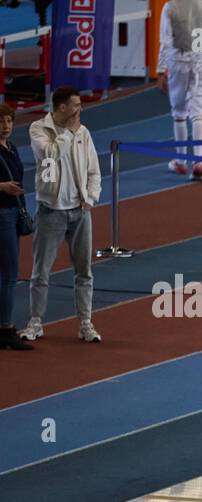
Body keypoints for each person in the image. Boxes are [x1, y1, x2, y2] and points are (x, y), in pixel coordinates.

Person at [21, 86, 101, 343]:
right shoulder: (38, 130)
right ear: (62, 107)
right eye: (76, 105)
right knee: (40, 271)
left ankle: (85, 323)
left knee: (84, 270)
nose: (80, 110)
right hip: (51, 212)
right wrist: (67, 132)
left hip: (79, 211)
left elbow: (93, 170)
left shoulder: (84, 133)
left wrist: (90, 198)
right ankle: (36, 322)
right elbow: (50, 154)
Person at [157, 0, 202, 181]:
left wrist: (160, 70)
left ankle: (181, 160)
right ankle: (198, 161)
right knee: (198, 113)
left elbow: (166, 40)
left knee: (179, 113)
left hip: (179, 61)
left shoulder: (171, 7)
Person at [0, 103, 30, 352]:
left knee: (6, 274)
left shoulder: (11, 148)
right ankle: (6, 328)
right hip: (1, 215)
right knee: (10, 274)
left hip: (13, 212)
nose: (6, 126)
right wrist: (2, 187)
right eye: (1, 122)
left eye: (9, 121)